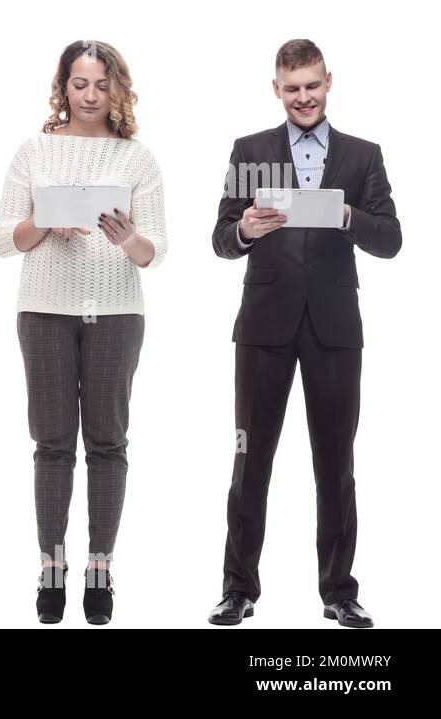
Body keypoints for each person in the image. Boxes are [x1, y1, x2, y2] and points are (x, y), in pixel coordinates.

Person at [208, 39, 401, 629]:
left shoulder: (363, 156)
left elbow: (390, 238)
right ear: (277, 90)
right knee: (250, 461)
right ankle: (238, 589)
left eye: (312, 85)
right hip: (264, 328)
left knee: (335, 463)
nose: (303, 97)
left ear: (328, 83)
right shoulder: (252, 151)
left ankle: (339, 592)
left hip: (336, 330)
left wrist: (347, 216)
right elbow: (219, 238)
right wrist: (242, 227)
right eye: (292, 88)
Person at [0, 40, 166, 625]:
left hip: (116, 310)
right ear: (62, 87)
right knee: (51, 442)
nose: (90, 96)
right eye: (79, 84)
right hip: (44, 308)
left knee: (108, 441)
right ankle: (51, 565)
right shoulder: (33, 150)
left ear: (117, 89)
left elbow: (155, 251)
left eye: (101, 85)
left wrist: (125, 239)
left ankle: (100, 565)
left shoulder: (137, 158)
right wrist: (44, 220)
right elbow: (2, 238)